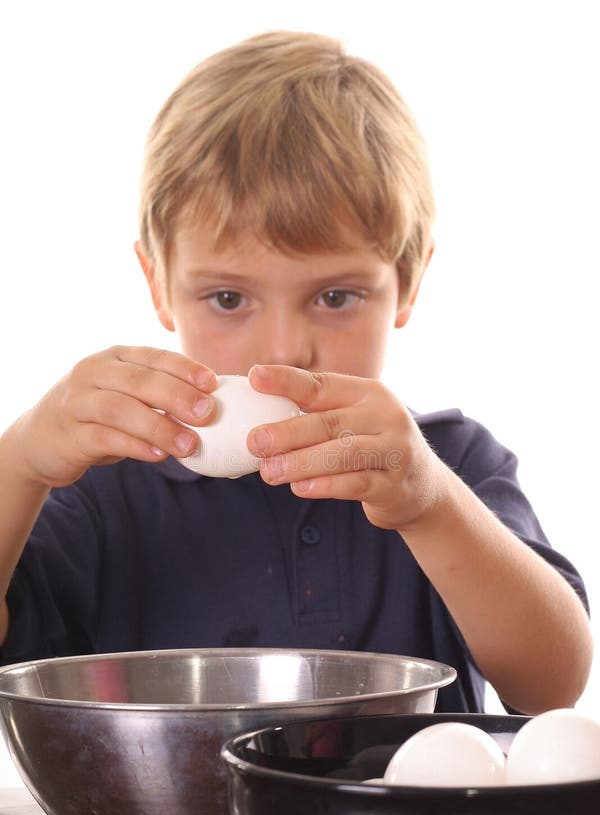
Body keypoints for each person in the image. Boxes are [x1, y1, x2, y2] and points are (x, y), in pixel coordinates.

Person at [0, 31, 592, 714]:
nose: (279, 353)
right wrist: (19, 464)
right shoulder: (105, 492)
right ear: (157, 284)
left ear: (409, 282)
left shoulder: (448, 466)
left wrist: (430, 506)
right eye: (228, 299)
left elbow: (553, 686)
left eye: (335, 297)